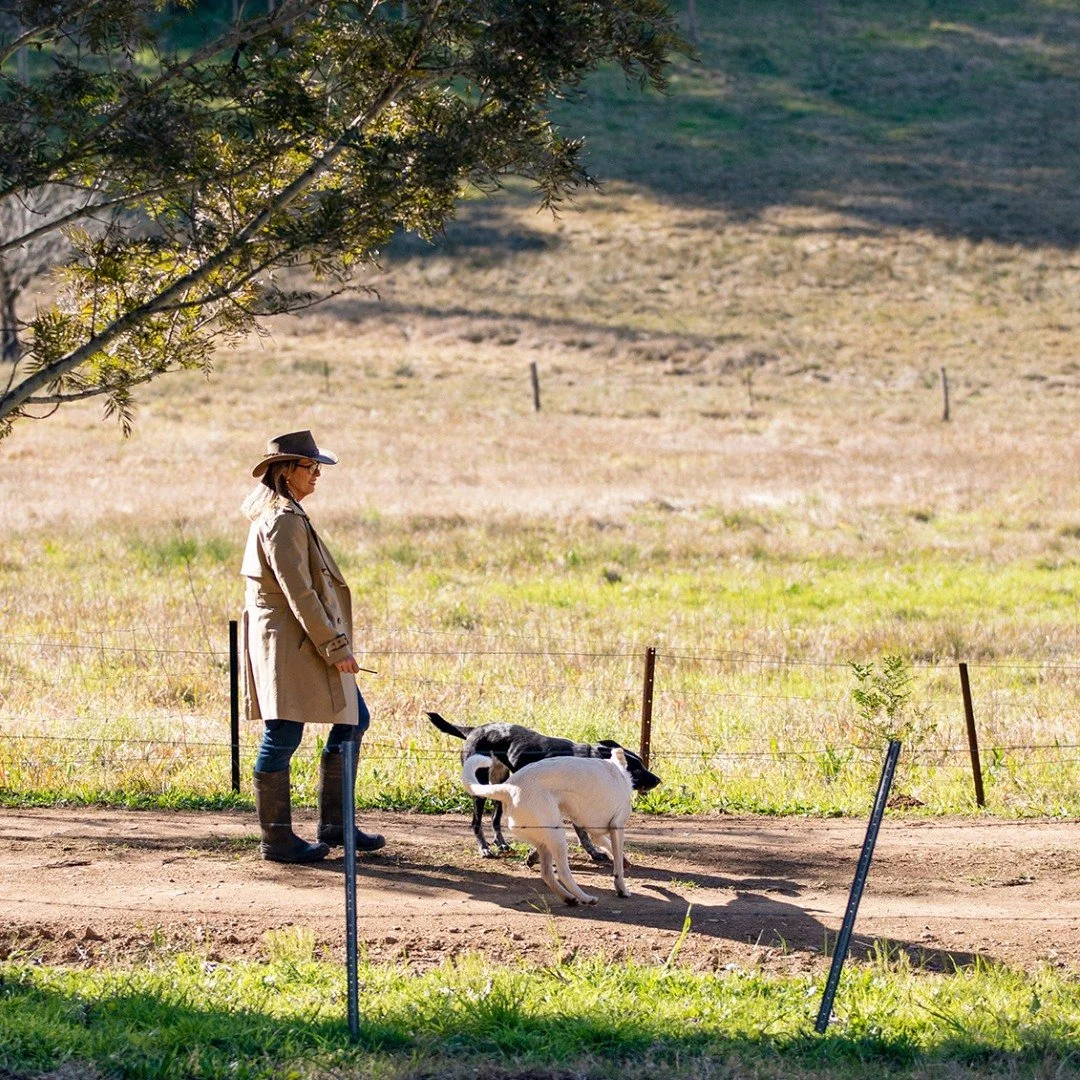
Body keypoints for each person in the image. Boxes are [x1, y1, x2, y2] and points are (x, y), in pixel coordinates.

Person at [240, 430, 385, 863]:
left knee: (352, 718)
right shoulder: (282, 519)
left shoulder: (286, 513)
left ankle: (335, 826)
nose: (317, 474)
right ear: (287, 470)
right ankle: (278, 840)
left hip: (300, 640)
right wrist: (335, 646)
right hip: (292, 643)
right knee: (283, 732)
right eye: (310, 466)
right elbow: (299, 592)